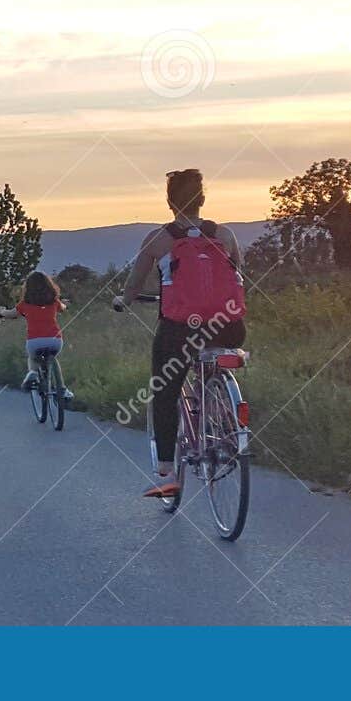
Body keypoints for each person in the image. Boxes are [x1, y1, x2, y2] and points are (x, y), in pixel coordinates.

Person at [114, 168, 246, 499]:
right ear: (203, 199)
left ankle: (167, 473)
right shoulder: (225, 234)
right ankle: (220, 422)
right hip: (229, 327)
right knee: (211, 365)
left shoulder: (160, 239)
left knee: (165, 392)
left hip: (180, 331)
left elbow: (133, 284)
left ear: (170, 202)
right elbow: (239, 277)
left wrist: (123, 300)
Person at [0, 271, 66, 390]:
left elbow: (11, 314)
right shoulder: (54, 302)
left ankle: (33, 373)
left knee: (33, 358)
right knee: (54, 359)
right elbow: (63, 308)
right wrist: (64, 305)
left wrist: (1, 312)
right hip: (55, 341)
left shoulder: (25, 304)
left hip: (35, 342)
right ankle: (62, 389)